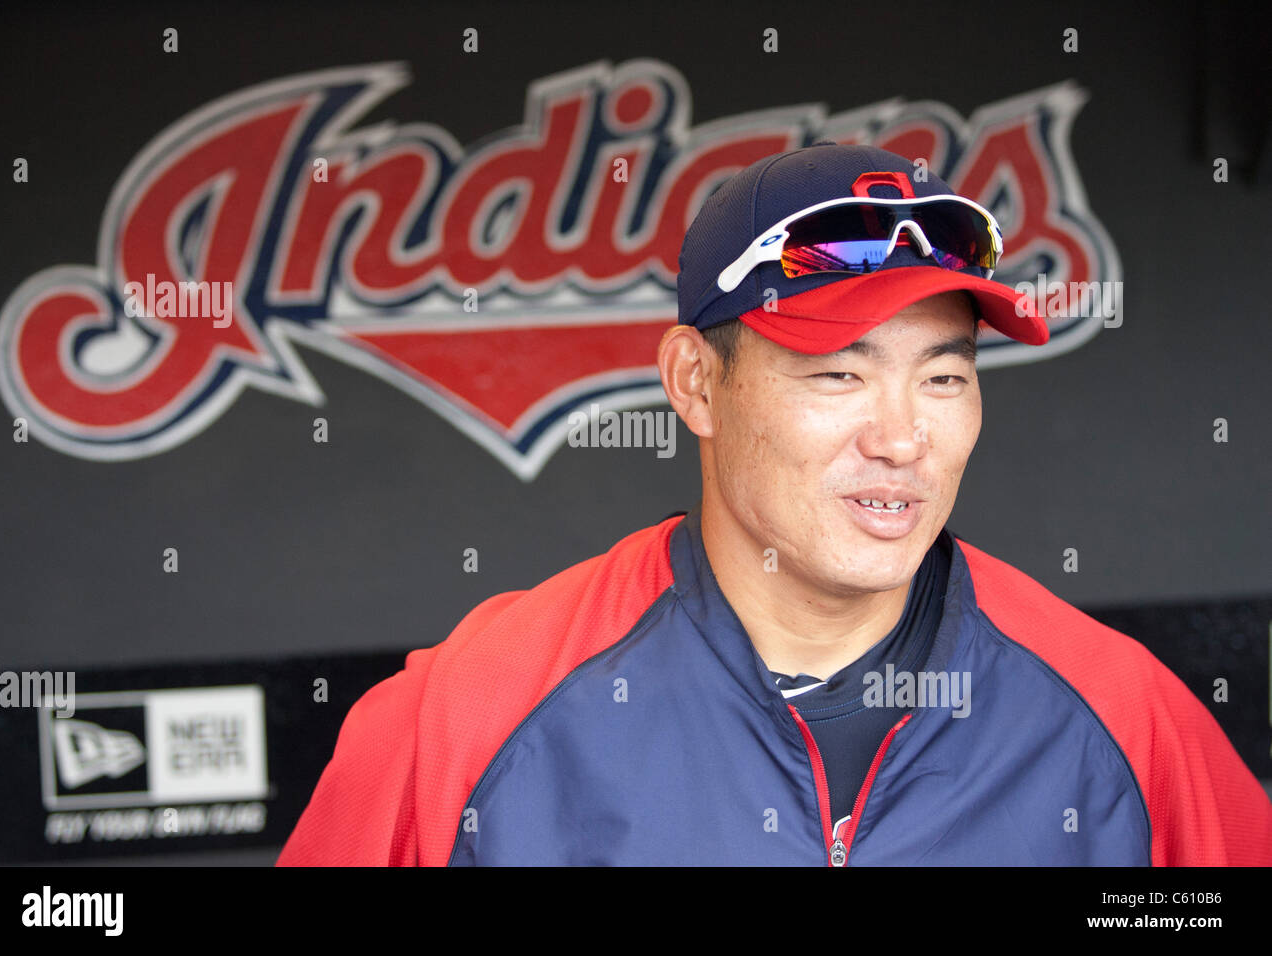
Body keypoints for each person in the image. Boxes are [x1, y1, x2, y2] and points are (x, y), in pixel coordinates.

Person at [278, 143, 1272, 866]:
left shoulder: (1123, 715)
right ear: (695, 382)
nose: (900, 438)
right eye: (837, 375)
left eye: (942, 376)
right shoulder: (466, 717)